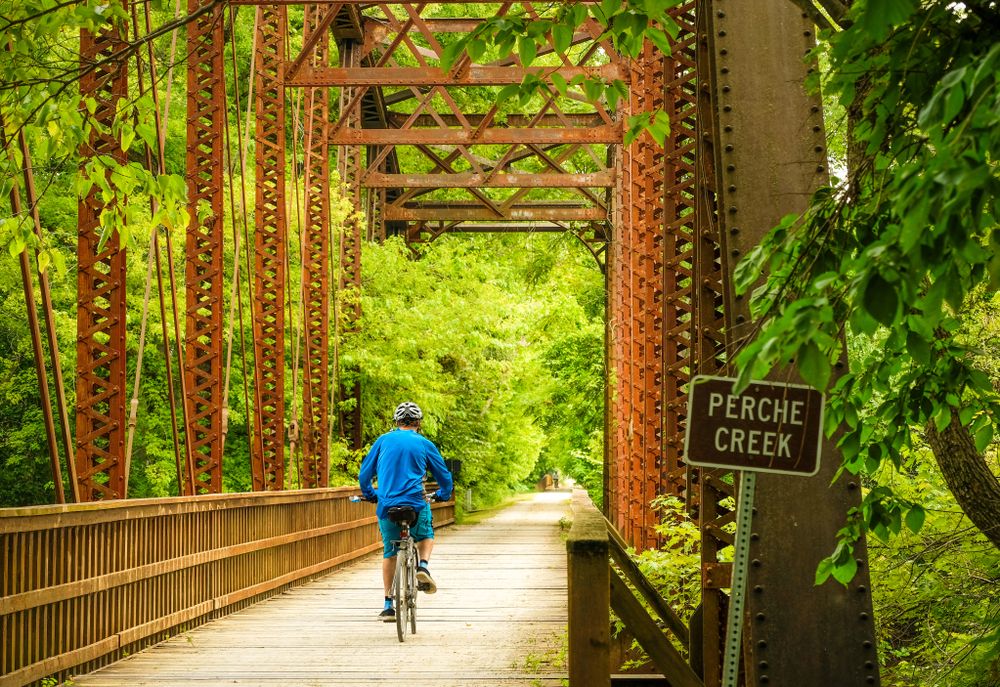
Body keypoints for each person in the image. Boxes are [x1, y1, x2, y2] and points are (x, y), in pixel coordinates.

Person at [358, 401, 453, 621]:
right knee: (426, 535)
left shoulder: (382, 441)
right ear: (418, 423)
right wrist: (444, 494)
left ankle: (388, 604)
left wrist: (373, 495)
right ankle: (424, 567)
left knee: (390, 552)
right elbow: (444, 476)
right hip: (416, 504)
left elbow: (365, 475)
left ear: (396, 422)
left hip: (388, 505)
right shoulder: (424, 443)